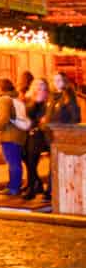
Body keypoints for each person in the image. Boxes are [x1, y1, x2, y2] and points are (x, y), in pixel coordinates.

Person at [44, 71, 82, 205]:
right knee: (53, 164)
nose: (56, 83)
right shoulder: (52, 97)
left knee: (57, 165)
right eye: (54, 80)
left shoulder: (68, 97)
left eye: (59, 80)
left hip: (62, 136)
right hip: (51, 136)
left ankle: (52, 191)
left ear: (65, 82)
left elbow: (75, 118)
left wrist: (65, 130)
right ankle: (50, 190)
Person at [0, 78, 29, 196]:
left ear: (0, 87)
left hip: (9, 136)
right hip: (18, 134)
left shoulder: (3, 100)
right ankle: (14, 185)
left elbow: (4, 118)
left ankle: (14, 188)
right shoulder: (14, 98)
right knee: (15, 162)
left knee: (13, 162)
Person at [23, 77, 51, 201]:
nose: (39, 88)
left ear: (46, 87)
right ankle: (35, 184)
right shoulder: (30, 99)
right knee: (29, 160)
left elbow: (42, 118)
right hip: (31, 134)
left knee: (32, 160)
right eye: (37, 85)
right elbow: (27, 115)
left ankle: (33, 189)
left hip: (42, 135)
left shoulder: (47, 100)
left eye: (42, 85)